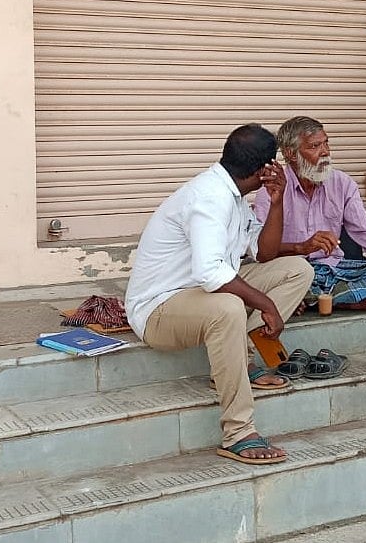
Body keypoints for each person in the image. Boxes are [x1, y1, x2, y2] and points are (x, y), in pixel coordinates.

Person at [124, 124, 314, 465]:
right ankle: (238, 432)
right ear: (262, 169)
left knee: (298, 270)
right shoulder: (209, 198)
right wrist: (266, 304)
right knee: (228, 306)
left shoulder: (234, 195)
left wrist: (277, 202)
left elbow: (265, 253)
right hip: (159, 309)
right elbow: (211, 273)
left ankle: (241, 360)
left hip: (198, 294)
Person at [254, 116, 366, 312]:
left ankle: (316, 300)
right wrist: (302, 247)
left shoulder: (342, 183)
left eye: (326, 143)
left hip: (336, 270)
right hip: (293, 271)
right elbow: (260, 251)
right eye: (314, 146)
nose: (325, 152)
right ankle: (337, 298)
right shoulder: (271, 191)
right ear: (291, 154)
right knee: (284, 280)